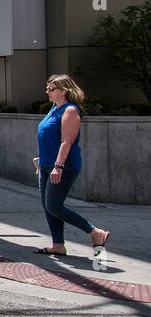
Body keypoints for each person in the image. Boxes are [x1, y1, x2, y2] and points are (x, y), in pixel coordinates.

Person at [34, 74, 109, 256]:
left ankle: (95, 233)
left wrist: (58, 166)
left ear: (64, 91)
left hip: (63, 166)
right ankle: (58, 245)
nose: (47, 92)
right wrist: (40, 159)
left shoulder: (70, 110)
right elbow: (48, 136)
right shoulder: (54, 108)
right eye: (47, 88)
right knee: (48, 205)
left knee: (54, 206)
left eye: (52, 89)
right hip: (45, 164)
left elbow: (66, 142)